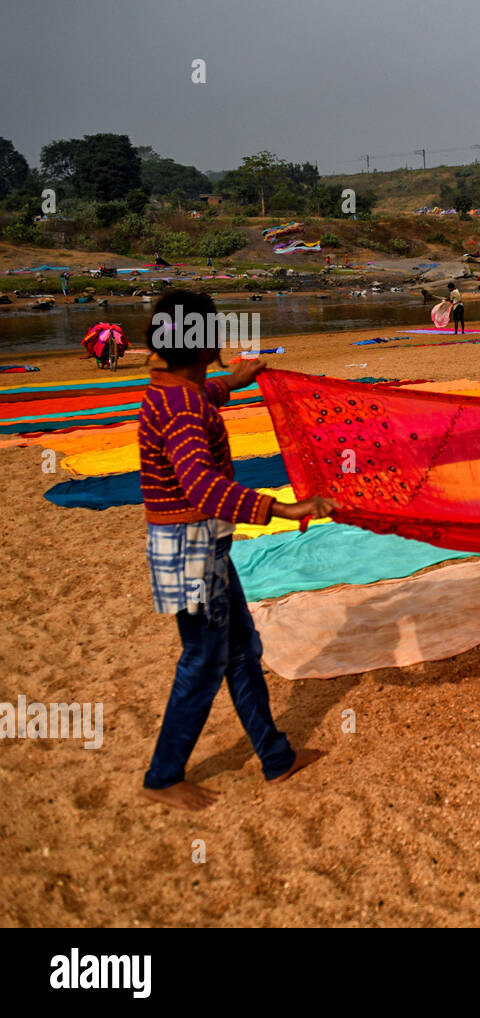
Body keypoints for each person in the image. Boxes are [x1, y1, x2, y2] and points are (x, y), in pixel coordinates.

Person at [138, 289, 334, 811]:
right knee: (203, 659)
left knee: (241, 649)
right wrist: (283, 509)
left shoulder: (169, 389)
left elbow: (199, 396)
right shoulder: (181, 405)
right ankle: (164, 775)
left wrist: (235, 381)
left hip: (201, 545)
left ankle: (275, 755)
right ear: (205, 348)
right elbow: (201, 487)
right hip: (191, 549)